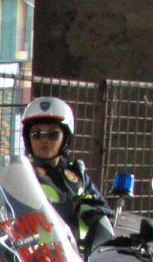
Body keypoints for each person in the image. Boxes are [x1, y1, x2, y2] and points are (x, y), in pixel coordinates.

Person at [20, 96, 110, 246]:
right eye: (36, 134)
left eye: (53, 134)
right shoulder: (22, 173)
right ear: (27, 138)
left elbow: (102, 208)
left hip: (78, 257)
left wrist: (86, 210)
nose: (44, 140)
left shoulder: (76, 173)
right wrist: (71, 207)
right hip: (39, 255)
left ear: (65, 138)